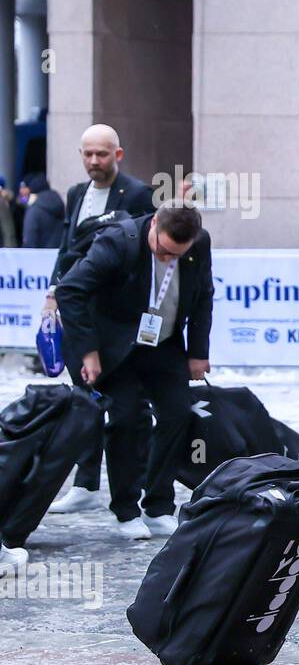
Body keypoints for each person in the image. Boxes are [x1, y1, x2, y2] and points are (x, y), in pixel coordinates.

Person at [54, 204, 213, 540]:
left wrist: (198, 352)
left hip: (164, 342)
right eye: (163, 250)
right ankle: (126, 511)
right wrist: (89, 351)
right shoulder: (116, 243)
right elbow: (70, 291)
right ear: (153, 224)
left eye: (177, 255)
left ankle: (158, 507)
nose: (168, 259)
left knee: (177, 414)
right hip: (114, 345)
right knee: (127, 419)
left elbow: (203, 297)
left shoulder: (198, 244)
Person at [45, 124, 157, 515]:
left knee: (127, 406)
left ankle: (128, 489)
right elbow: (66, 247)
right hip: (78, 307)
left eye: (102, 154)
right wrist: (54, 292)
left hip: (118, 316)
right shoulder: (76, 193)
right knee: (83, 397)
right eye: (88, 154)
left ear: (118, 155)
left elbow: (146, 252)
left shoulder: (139, 193)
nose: (94, 161)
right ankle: (85, 481)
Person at [18, 173, 66, 249]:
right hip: (58, 255)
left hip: (39, 257)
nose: (21, 191)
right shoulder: (60, 204)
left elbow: (29, 241)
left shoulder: (35, 209)